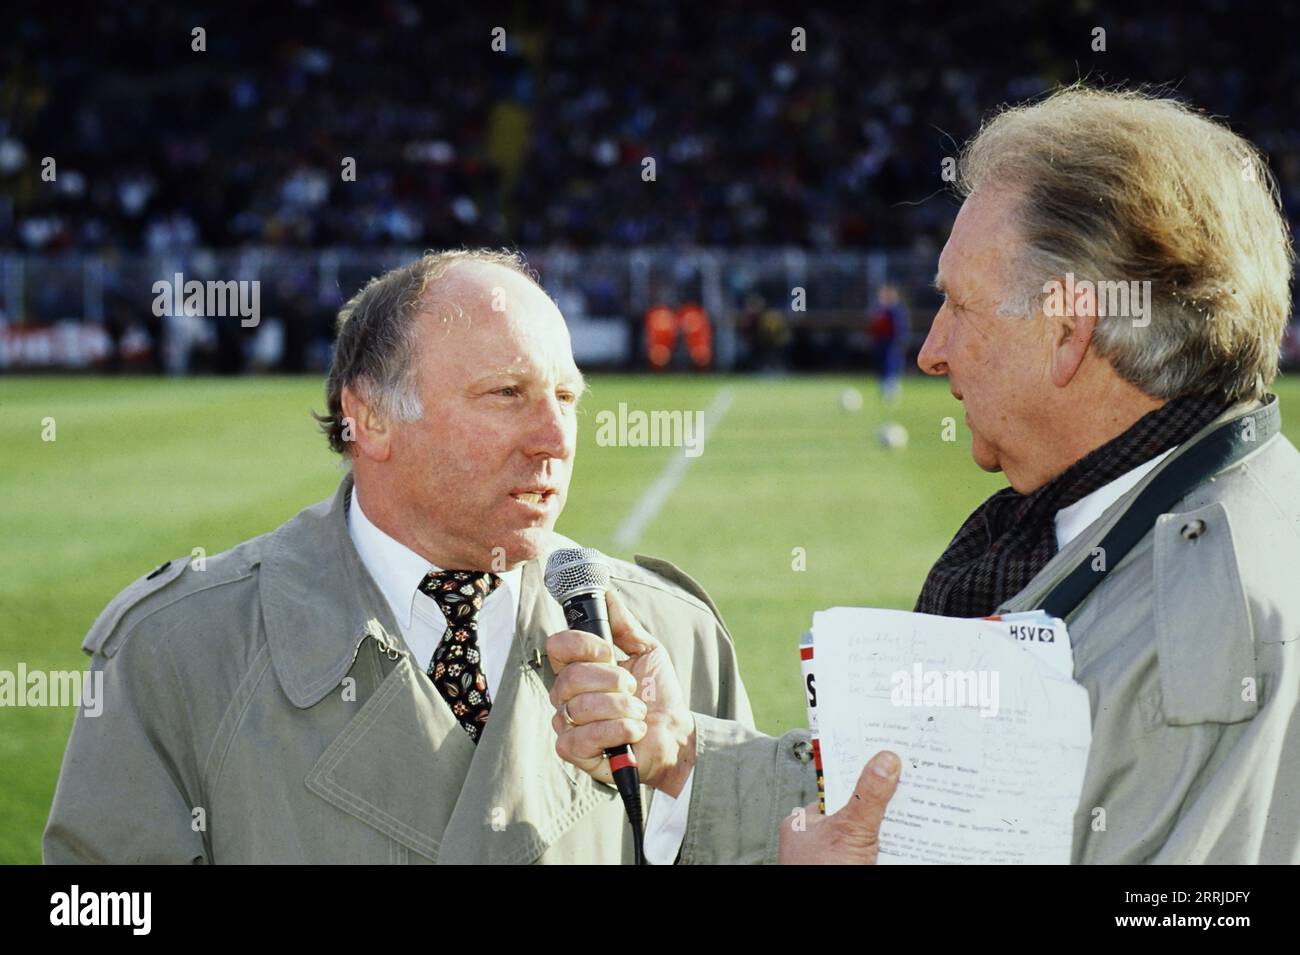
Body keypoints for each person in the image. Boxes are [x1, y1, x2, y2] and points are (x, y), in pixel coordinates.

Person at [548, 85, 1300, 864]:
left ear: (1069, 333)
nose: (930, 351)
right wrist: (683, 757)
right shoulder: (1170, 526)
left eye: (959, 307)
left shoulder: (1197, 627)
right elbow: (929, 800)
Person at [44, 249, 752, 864]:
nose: (555, 437)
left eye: (567, 395)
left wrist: (685, 774)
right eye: (507, 394)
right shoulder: (176, 651)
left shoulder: (675, 637)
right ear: (372, 419)